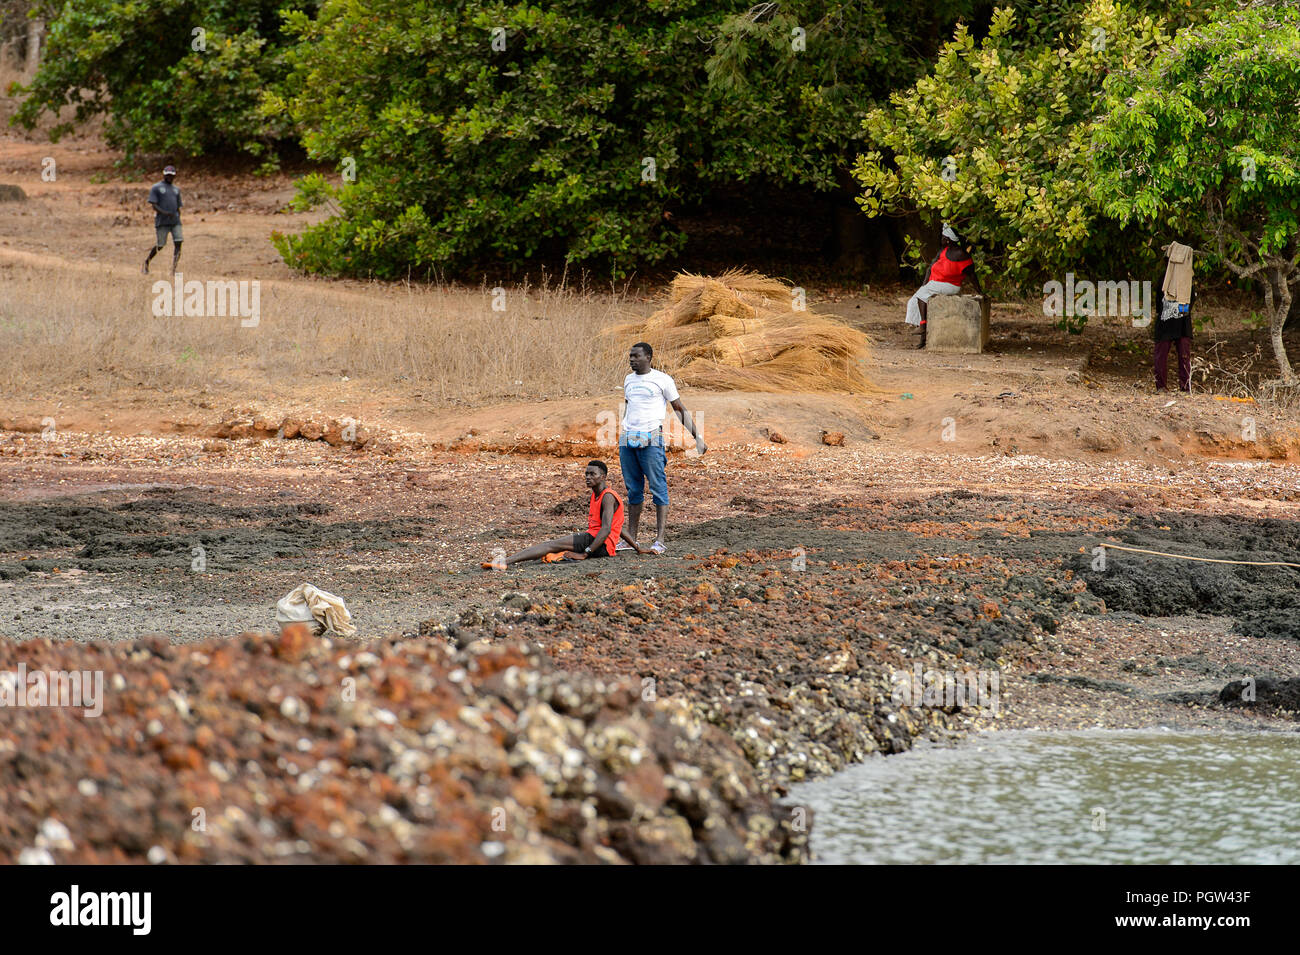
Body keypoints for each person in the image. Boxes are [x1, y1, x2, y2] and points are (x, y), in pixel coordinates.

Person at [618, 341, 706, 555]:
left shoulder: (663, 380)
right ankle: (632, 539)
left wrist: (697, 436)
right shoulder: (628, 380)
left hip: (652, 439)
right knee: (633, 490)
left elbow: (678, 408)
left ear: (648, 357)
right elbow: (629, 407)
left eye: (636, 356)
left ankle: (660, 540)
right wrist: (624, 430)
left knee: (658, 487)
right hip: (628, 439)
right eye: (630, 356)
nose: (631, 360)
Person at [482, 460, 644, 569]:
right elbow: (618, 526)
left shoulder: (608, 496)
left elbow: (607, 528)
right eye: (586, 474)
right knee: (554, 546)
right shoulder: (597, 494)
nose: (588, 477)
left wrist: (585, 553)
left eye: (592, 474)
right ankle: (557, 556)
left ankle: (504, 562)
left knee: (549, 544)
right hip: (600, 544)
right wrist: (637, 547)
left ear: (603, 477)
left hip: (598, 543)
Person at [906, 223, 984, 348]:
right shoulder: (943, 251)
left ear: (947, 240)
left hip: (950, 285)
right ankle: (923, 337)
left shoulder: (961, 254)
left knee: (921, 296)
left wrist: (980, 291)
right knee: (914, 301)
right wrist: (924, 285)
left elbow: (972, 275)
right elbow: (930, 269)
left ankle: (923, 325)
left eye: (942, 237)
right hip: (935, 283)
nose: (941, 239)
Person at [1154, 242, 1195, 393]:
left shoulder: (1164, 279)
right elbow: (1190, 302)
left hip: (1168, 321)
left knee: (1163, 355)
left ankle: (1162, 387)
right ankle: (1184, 388)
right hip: (1182, 321)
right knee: (1182, 356)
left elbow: (1159, 303)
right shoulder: (1187, 281)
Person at [142, 165, 183, 275]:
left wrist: (177, 217)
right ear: (164, 175)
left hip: (175, 221)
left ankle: (174, 269)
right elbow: (154, 205)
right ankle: (147, 262)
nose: (169, 177)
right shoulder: (156, 188)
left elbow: (178, 206)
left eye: (171, 175)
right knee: (160, 244)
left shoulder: (176, 190)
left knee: (178, 242)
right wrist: (165, 213)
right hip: (162, 222)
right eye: (168, 175)